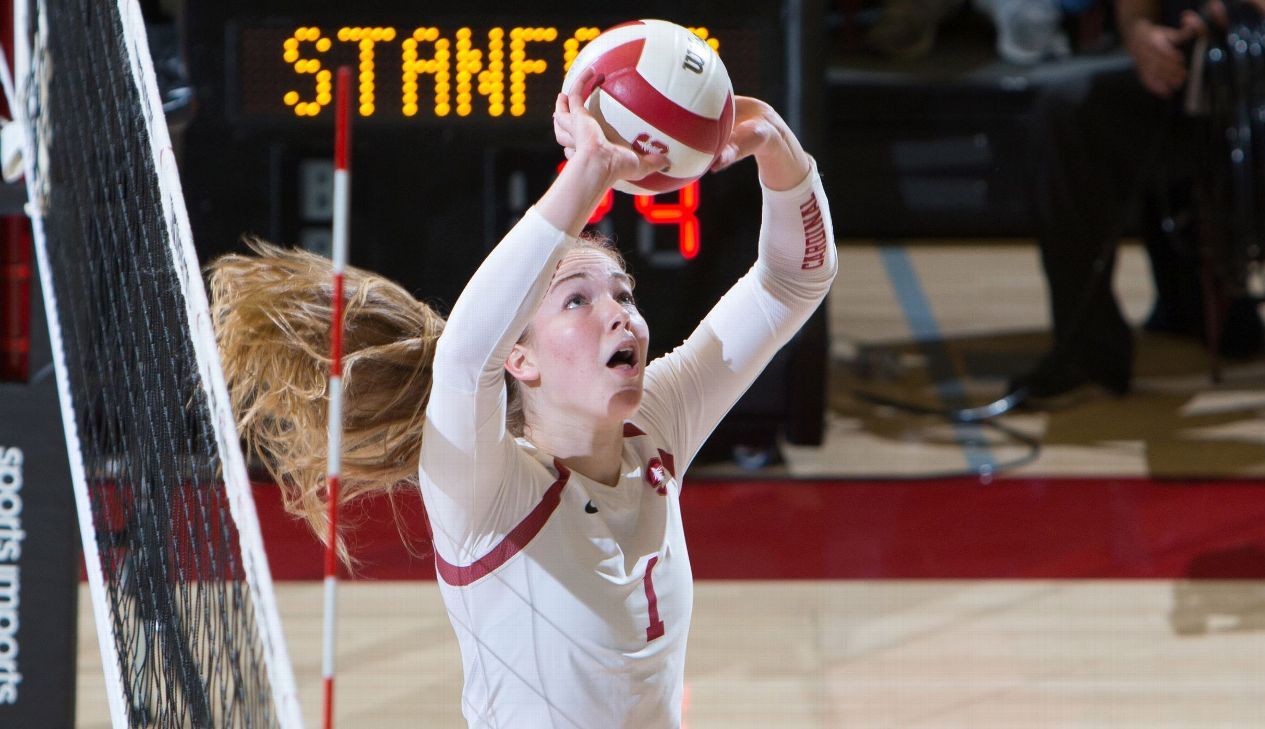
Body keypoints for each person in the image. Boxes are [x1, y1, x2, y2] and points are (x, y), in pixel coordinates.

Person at [208, 78, 837, 728]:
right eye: (578, 299)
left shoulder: (657, 424)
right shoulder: (488, 491)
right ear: (520, 356)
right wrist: (588, 173)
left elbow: (793, 280)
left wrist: (775, 145)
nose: (619, 315)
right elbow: (463, 355)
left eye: (624, 294)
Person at [1014, 0, 1265, 402]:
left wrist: (1258, 37)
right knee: (1068, 115)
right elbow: (1136, 11)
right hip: (1192, 82)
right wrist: (1143, 37)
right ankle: (1088, 352)